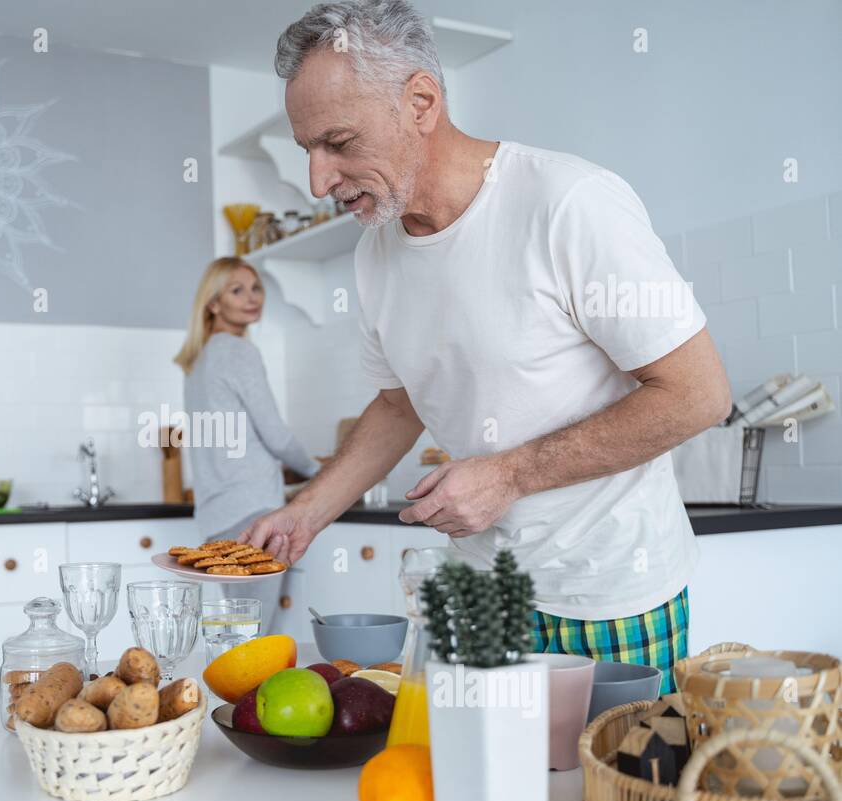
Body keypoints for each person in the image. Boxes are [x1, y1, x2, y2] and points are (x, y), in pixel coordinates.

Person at [242, 1, 732, 692]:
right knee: (478, 791)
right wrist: (307, 512)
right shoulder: (374, 254)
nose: (319, 181)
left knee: (615, 797)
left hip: (608, 591)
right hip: (478, 595)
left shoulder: (569, 203)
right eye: (308, 152)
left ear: (421, 101)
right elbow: (397, 403)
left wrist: (507, 475)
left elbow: (699, 395)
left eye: (340, 142)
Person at [175, 257, 324, 631]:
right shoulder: (239, 351)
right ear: (213, 303)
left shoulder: (196, 364)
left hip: (215, 518)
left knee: (239, 631)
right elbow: (275, 434)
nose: (252, 297)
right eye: (236, 290)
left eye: (256, 288)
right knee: (258, 636)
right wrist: (318, 473)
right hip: (254, 512)